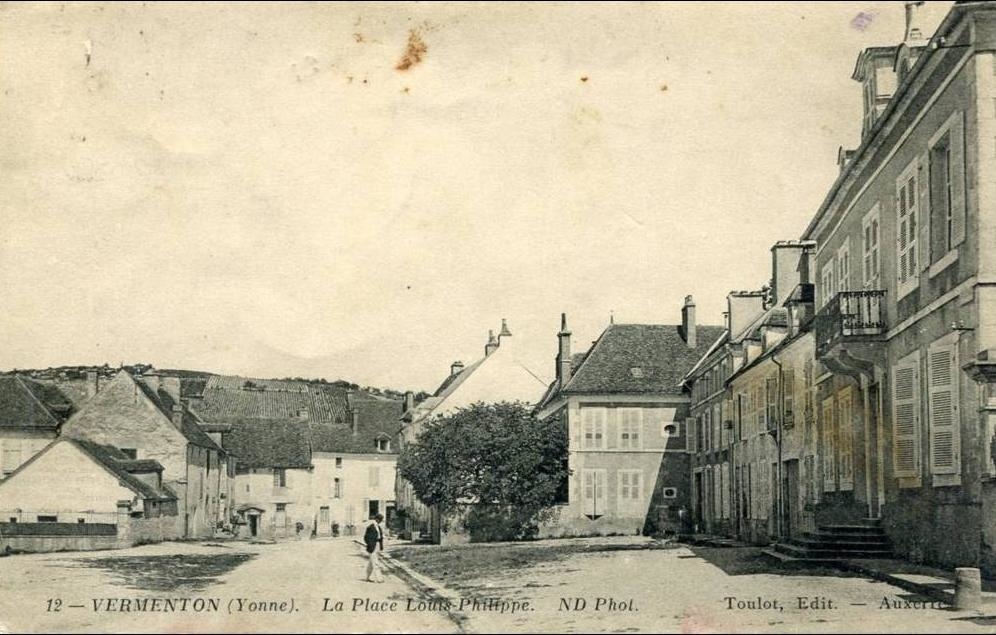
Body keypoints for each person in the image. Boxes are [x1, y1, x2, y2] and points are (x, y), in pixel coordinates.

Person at [363, 513, 385, 583]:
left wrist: (381, 547)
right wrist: (370, 544)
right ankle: (379, 578)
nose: (380, 521)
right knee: (375, 562)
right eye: (379, 520)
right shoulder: (370, 527)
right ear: (376, 519)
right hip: (372, 546)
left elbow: (380, 537)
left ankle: (367, 577)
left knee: (371, 563)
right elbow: (366, 537)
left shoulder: (378, 527)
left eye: (381, 520)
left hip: (377, 545)